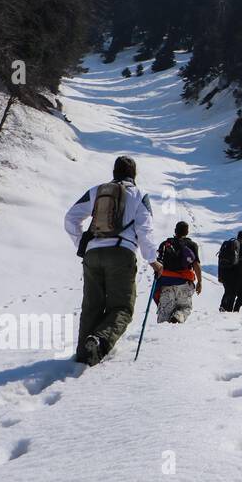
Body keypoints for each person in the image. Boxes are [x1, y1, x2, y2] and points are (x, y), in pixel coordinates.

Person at [63, 155, 161, 366]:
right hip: (121, 254)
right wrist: (153, 260)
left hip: (92, 254)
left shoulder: (97, 191)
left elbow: (70, 218)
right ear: (134, 175)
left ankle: (83, 354)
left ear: (114, 173)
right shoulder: (140, 195)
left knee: (91, 306)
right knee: (122, 307)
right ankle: (99, 341)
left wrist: (83, 243)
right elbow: (145, 230)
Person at [155, 221, 202, 323]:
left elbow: (158, 264)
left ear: (175, 231)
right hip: (184, 284)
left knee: (163, 315)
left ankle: (160, 335)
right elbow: (196, 264)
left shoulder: (164, 244)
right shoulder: (192, 245)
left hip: (166, 284)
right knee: (185, 308)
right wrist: (200, 282)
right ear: (187, 232)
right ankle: (178, 317)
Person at [218, 230, 242, 312]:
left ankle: (223, 306)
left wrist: (219, 274)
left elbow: (220, 259)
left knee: (227, 290)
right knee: (233, 292)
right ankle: (228, 310)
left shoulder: (228, 244)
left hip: (224, 271)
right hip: (237, 273)